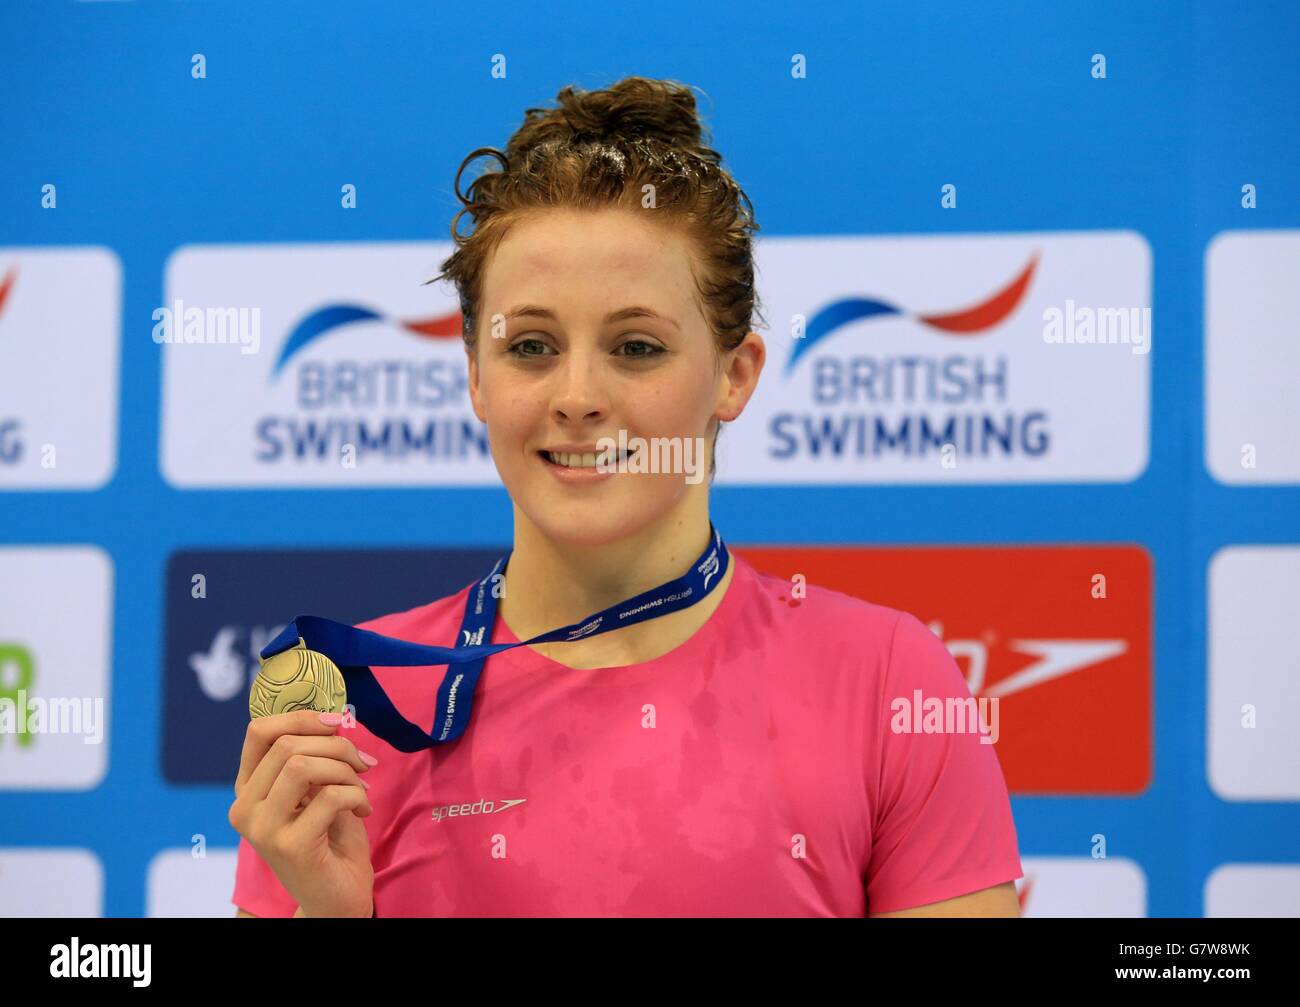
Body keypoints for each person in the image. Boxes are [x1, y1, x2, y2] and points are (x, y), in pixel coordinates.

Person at [227, 76, 1023, 918]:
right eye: (531, 345)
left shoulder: (886, 681)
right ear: (475, 379)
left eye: (636, 346)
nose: (576, 394)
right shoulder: (358, 705)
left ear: (734, 374)